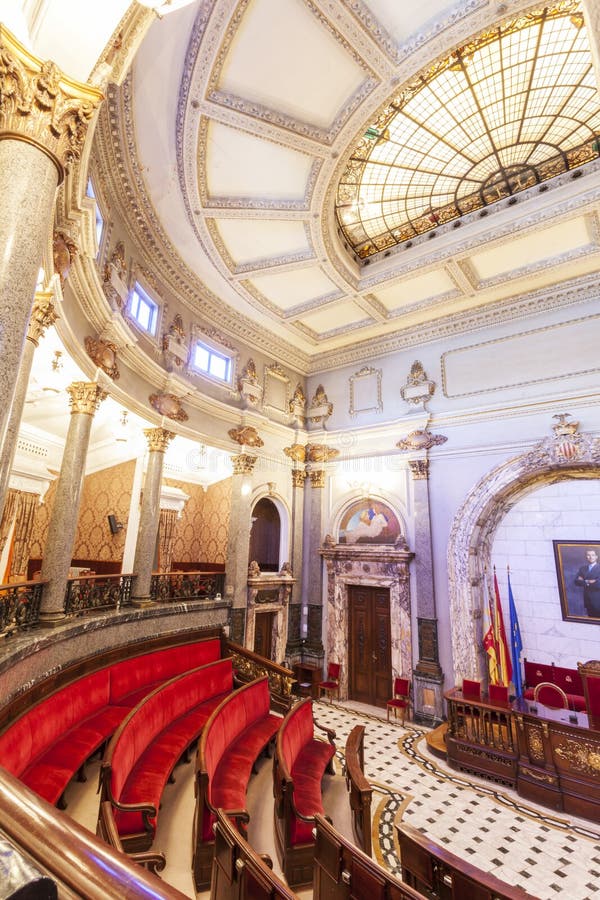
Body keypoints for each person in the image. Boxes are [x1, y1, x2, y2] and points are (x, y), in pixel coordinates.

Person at [574, 548, 600, 617]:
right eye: (588, 555)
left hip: (598, 600)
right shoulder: (583, 568)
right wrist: (589, 581)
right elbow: (576, 581)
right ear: (586, 557)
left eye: (593, 555)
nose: (591, 557)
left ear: (596, 556)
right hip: (587, 600)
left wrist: (584, 581)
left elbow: (598, 584)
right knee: (591, 619)